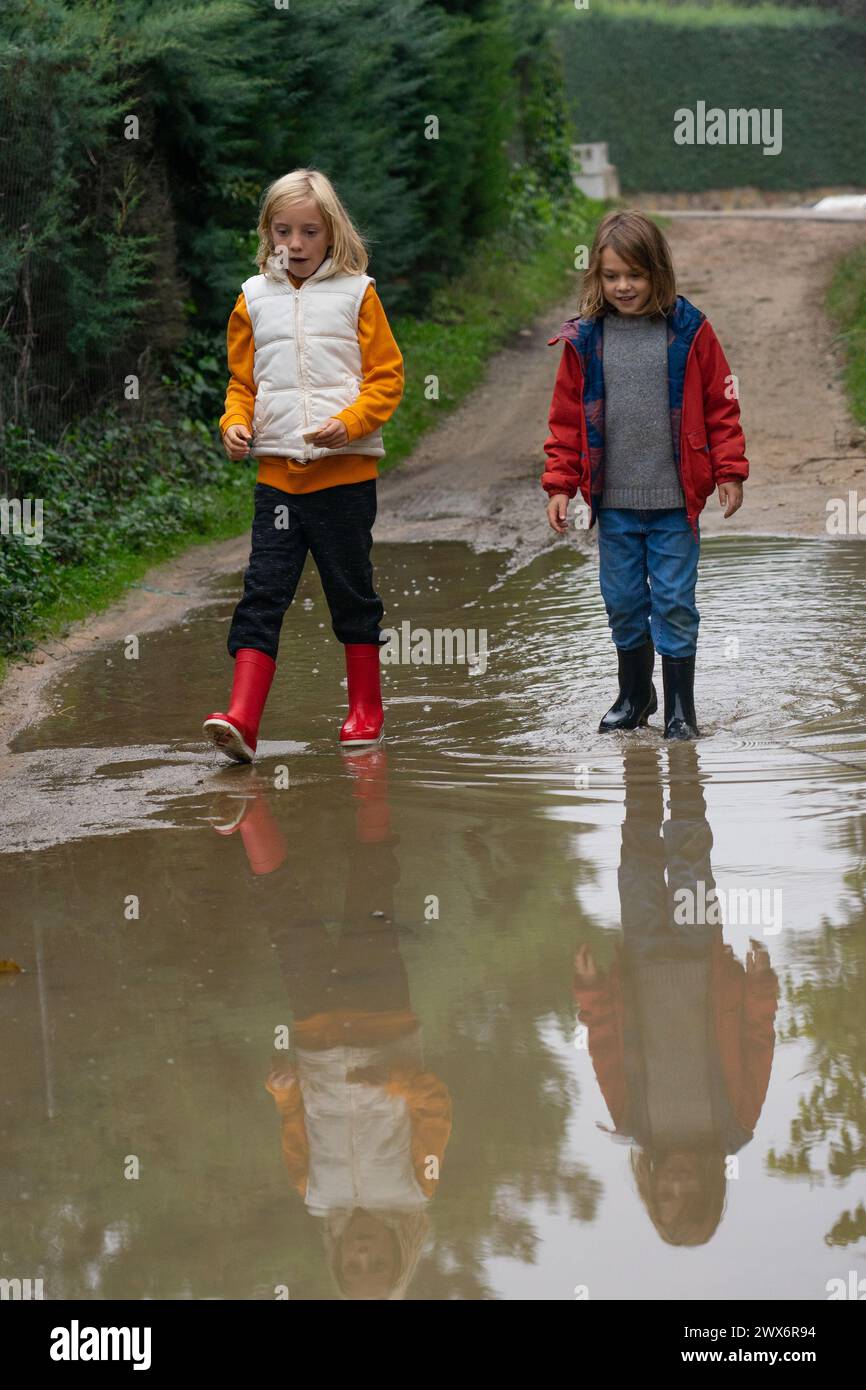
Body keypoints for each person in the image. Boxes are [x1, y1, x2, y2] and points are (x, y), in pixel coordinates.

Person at [203, 168, 404, 762]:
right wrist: (233, 425)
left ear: (331, 234)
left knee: (352, 593)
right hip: (278, 483)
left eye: (309, 232)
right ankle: (242, 718)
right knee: (263, 593)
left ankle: (366, 709)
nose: (294, 243)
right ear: (268, 233)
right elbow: (243, 383)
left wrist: (353, 422)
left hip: (344, 479)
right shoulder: (251, 298)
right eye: (282, 230)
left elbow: (386, 378)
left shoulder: (358, 293)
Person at [542, 209, 748, 739]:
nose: (624, 286)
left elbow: (721, 405)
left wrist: (729, 470)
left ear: (659, 272)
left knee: (675, 602)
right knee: (623, 601)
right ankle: (635, 696)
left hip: (675, 504)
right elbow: (566, 419)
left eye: (635, 275)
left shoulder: (689, 331)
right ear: (596, 277)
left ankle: (681, 707)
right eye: (611, 277)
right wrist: (560, 483)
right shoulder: (587, 339)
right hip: (613, 505)